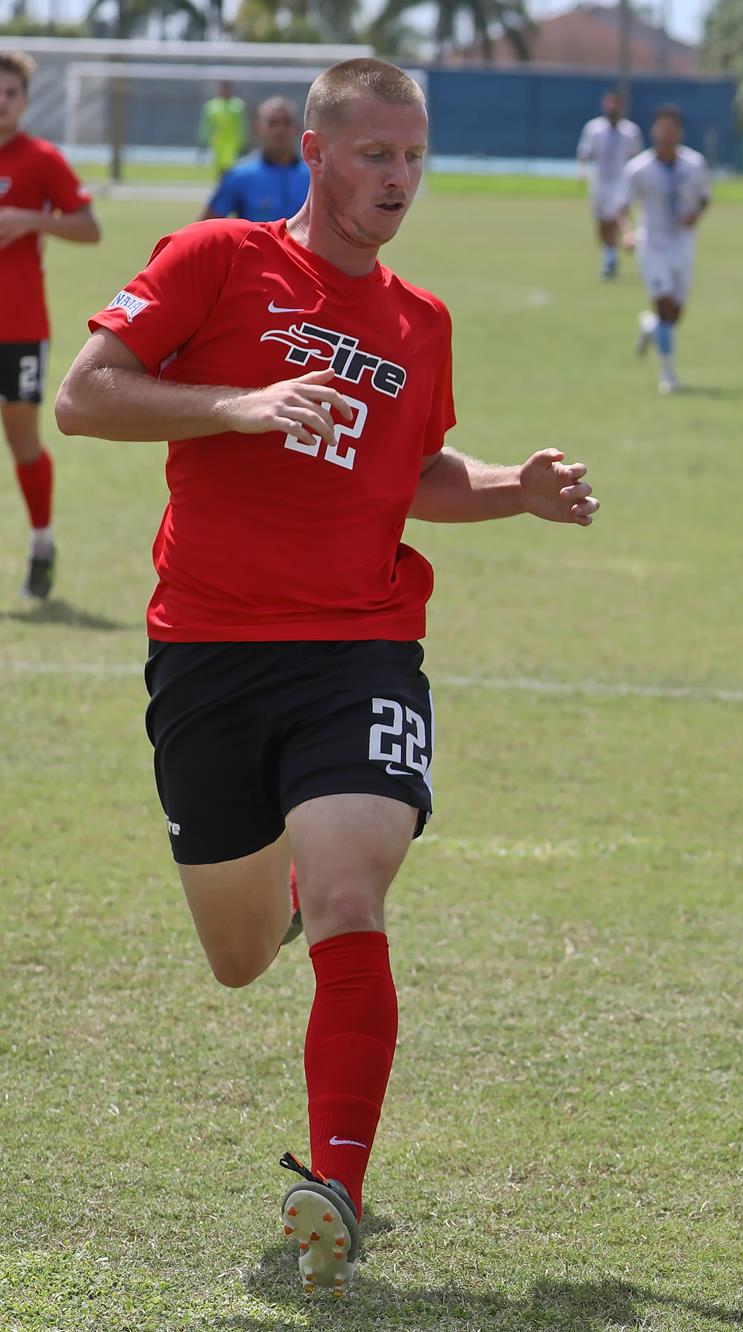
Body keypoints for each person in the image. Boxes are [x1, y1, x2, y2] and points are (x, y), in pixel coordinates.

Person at [54, 57, 599, 1297]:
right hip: (205, 653)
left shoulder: (421, 320)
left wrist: (516, 489)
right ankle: (285, 872)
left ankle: (336, 1189)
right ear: (315, 152)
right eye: (375, 155)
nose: (399, 178)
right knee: (243, 955)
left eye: (414, 155)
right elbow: (86, 399)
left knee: (353, 897)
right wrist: (241, 407)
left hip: (360, 649)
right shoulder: (217, 259)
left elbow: (408, 475)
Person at [0, 50, 101, 601]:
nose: (1, 101)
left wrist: (29, 219)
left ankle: (42, 545)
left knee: (22, 443)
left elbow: (89, 227)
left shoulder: (40, 158)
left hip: (16, 328)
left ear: (24, 99)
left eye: (10, 92)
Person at [616, 104, 710, 394]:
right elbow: (622, 206)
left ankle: (649, 326)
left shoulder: (694, 164)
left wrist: (695, 214)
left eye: (673, 127)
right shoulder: (639, 168)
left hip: (682, 246)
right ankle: (668, 376)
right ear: (654, 130)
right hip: (652, 245)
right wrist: (628, 233)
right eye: (662, 126)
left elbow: (705, 198)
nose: (667, 132)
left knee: (673, 317)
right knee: (665, 304)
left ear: (679, 132)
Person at [205, 96, 310, 223]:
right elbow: (204, 229)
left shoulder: (314, 177)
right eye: (272, 123)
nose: (279, 130)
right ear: (258, 127)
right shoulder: (239, 175)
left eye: (286, 122)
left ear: (297, 128)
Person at [577, 89, 642, 280]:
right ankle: (610, 253)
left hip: (620, 182)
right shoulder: (593, 128)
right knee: (602, 222)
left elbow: (637, 158)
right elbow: (584, 152)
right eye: (609, 103)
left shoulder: (630, 131)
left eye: (616, 104)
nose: (612, 107)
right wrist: (582, 171)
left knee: (616, 216)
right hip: (600, 182)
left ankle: (619, 248)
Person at [198, 80, 249, 179]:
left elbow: (242, 125)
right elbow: (206, 125)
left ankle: (231, 186)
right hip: (217, 142)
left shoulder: (237, 106)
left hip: (233, 142)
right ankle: (221, 185)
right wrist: (203, 140)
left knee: (232, 167)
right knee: (219, 167)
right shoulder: (212, 106)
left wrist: (243, 142)